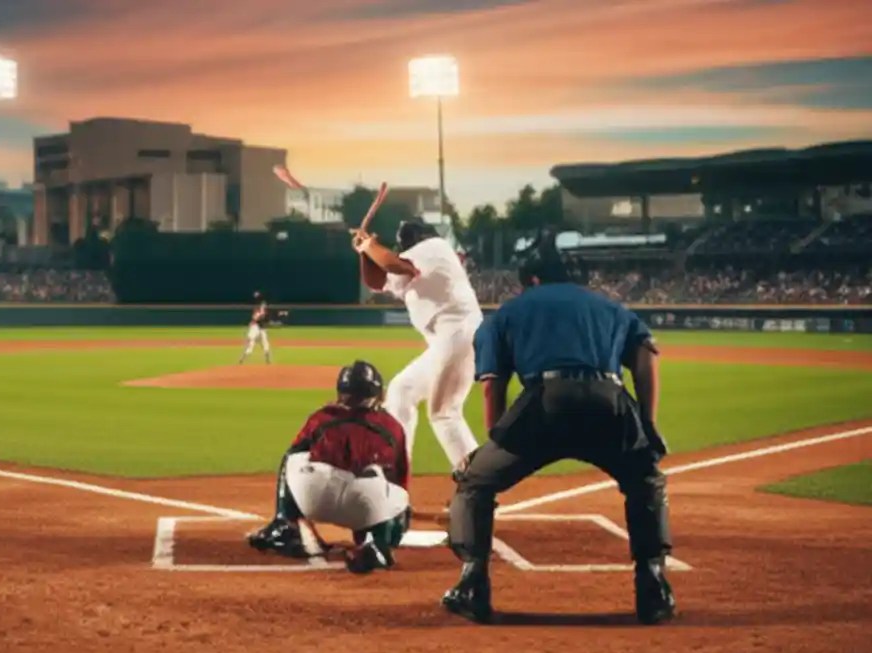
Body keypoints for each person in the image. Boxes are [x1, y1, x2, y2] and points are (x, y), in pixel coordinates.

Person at [440, 233, 675, 625]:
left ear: (531, 280)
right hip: (609, 401)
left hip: (545, 401)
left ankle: (472, 585)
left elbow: (492, 386)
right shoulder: (609, 307)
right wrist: (647, 426)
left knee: (475, 482)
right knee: (645, 480)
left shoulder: (508, 312)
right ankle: (653, 586)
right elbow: (646, 356)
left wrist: (495, 443)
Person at [246, 360, 412, 573]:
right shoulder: (392, 426)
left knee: (293, 457)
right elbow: (400, 478)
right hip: (366, 505)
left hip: (314, 498)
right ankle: (377, 545)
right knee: (397, 493)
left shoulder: (322, 416)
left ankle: (284, 524)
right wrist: (394, 526)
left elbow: (294, 453)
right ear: (378, 393)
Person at [350, 219, 482, 470]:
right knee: (401, 391)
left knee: (444, 412)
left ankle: (478, 486)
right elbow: (377, 282)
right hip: (451, 342)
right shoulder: (419, 260)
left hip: (457, 336)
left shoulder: (435, 246)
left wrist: (370, 244)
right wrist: (364, 252)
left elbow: (391, 262)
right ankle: (396, 472)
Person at [238, 291, 273, 364]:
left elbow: (264, 319)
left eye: (264, 304)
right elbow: (255, 318)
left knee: (265, 344)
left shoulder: (264, 311)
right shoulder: (258, 310)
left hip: (262, 329)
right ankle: (242, 359)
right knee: (251, 342)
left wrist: (260, 318)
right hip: (256, 328)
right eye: (263, 304)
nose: (264, 305)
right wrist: (256, 320)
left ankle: (268, 360)